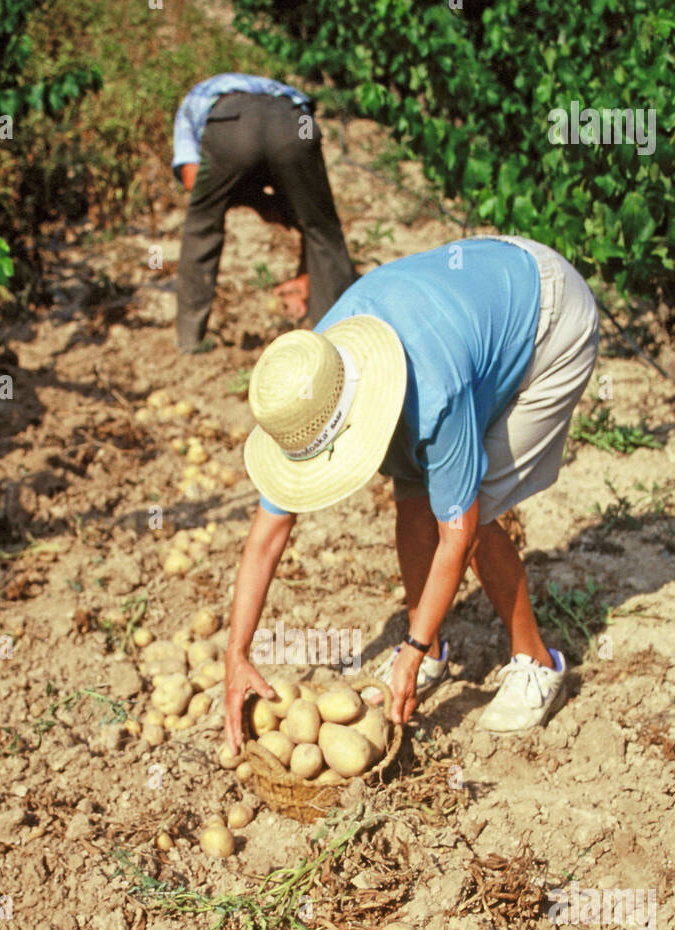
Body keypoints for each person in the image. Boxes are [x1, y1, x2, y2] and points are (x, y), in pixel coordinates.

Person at [223, 235, 600, 752]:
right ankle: (430, 652)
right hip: (475, 294)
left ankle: (537, 662)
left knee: (475, 507)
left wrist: (412, 644)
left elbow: (459, 535)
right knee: (415, 495)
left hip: (547, 320)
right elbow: (267, 536)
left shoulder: (434, 395)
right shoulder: (308, 383)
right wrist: (236, 652)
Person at [171, 73, 357, 352]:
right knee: (320, 226)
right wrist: (264, 202)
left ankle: (189, 339)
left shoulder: (194, 99)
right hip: (298, 123)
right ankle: (336, 337)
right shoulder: (278, 89)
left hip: (231, 126)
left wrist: (251, 199)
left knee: (202, 226)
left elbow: (192, 180)